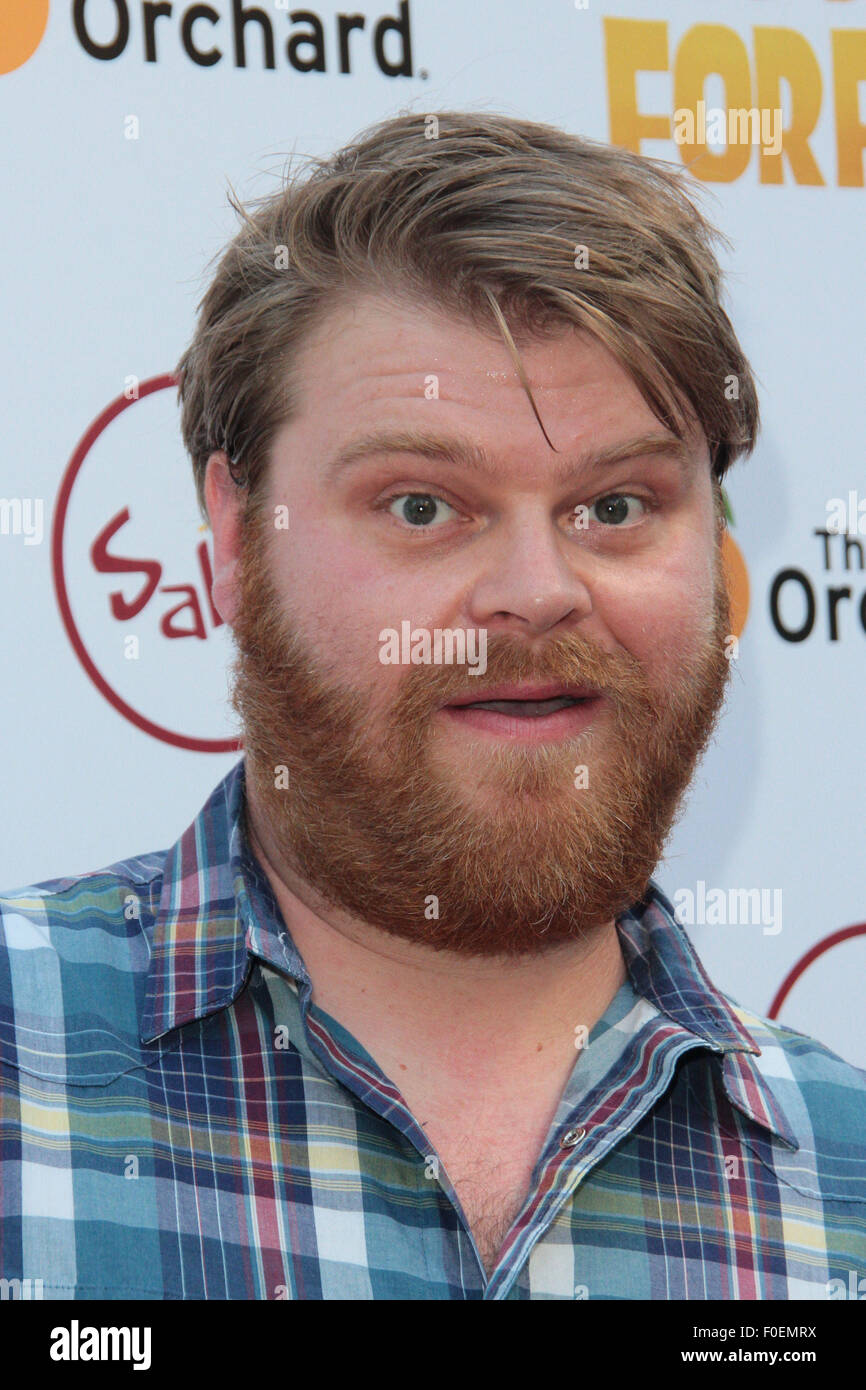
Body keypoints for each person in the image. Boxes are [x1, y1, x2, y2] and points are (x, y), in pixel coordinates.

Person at [1, 111, 864, 1301]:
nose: (535, 594)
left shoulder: (846, 1187)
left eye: (614, 505)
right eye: (420, 505)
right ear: (235, 542)